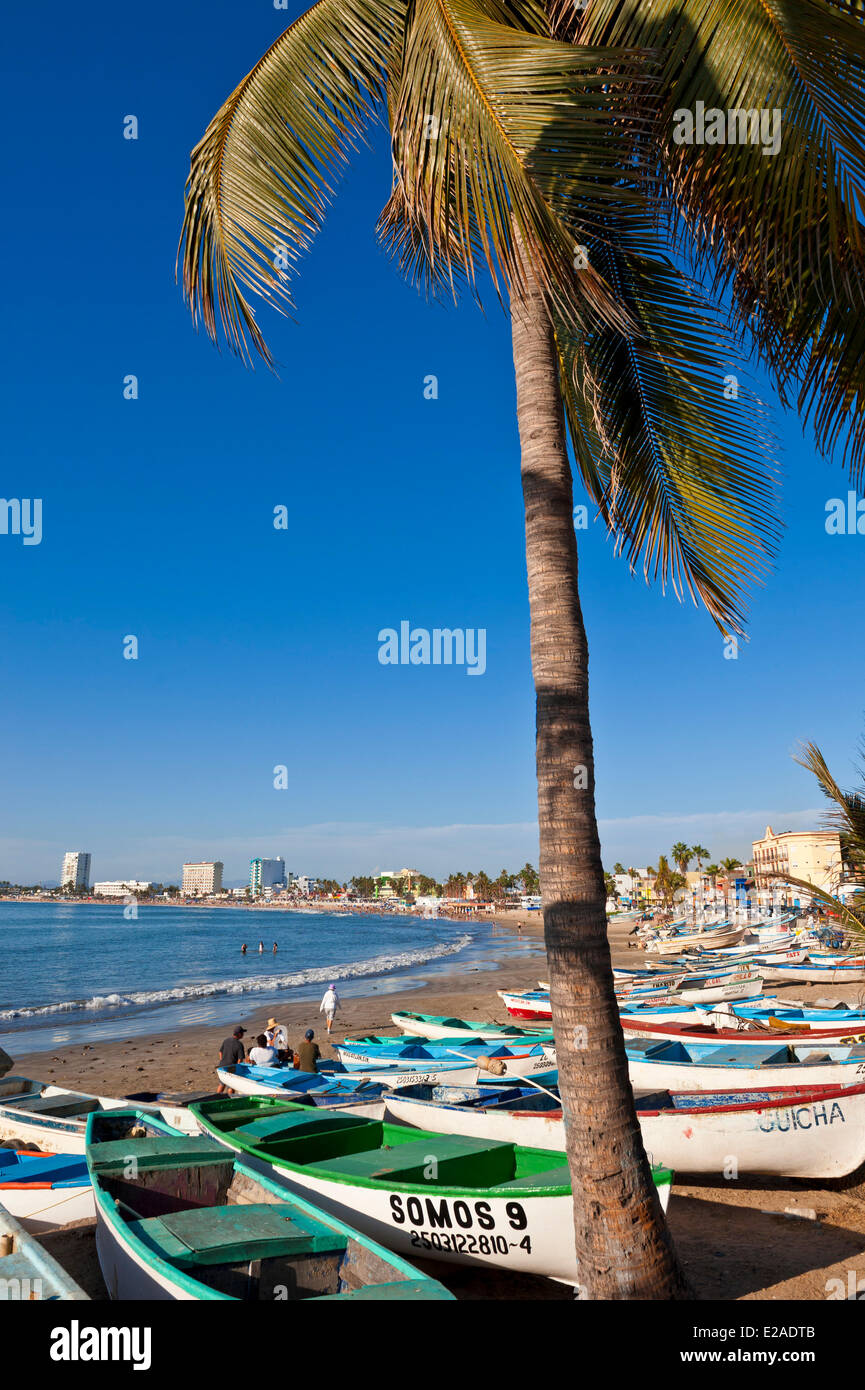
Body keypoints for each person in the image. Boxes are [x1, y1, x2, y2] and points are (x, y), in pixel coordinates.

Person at [216, 1026, 246, 1094]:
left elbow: (220, 1052)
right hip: (231, 1067)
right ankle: (229, 1099)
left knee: (222, 1084)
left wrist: (222, 1060)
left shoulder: (226, 1040)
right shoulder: (239, 1044)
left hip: (222, 1066)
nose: (243, 1034)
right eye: (242, 1033)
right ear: (239, 1034)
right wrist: (237, 1069)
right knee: (231, 1086)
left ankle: (216, 1098)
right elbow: (240, 1059)